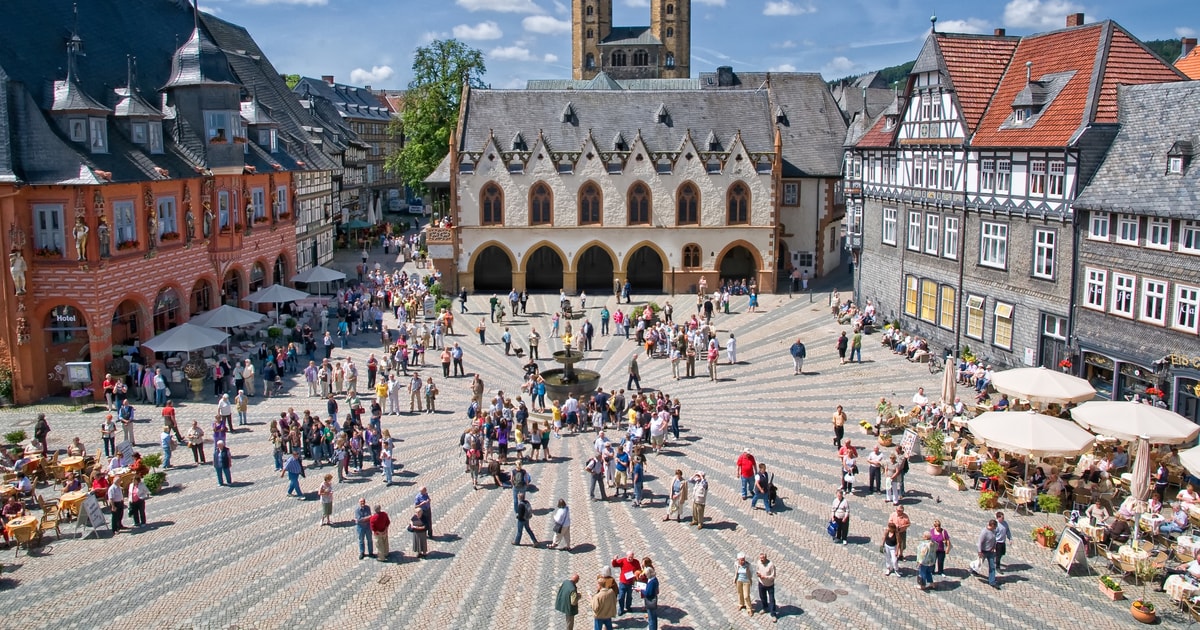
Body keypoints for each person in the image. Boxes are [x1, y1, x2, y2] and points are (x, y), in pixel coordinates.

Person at [612, 551, 642, 616]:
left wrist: (636, 574)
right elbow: (614, 565)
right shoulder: (623, 561)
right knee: (621, 597)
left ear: (633, 557)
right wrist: (614, 559)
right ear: (626, 556)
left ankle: (628, 607)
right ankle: (621, 609)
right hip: (623, 582)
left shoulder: (636, 562)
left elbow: (639, 570)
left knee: (629, 596)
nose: (630, 559)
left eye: (631, 557)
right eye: (629, 557)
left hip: (631, 583)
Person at [976, 519, 999, 588]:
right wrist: (979, 551)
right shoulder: (984, 532)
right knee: (979, 563)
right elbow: (979, 542)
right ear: (991, 525)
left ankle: (992, 581)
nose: (995, 528)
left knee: (992, 566)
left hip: (991, 551)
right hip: (984, 551)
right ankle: (972, 569)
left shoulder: (994, 531)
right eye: (995, 527)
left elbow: (994, 539)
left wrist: (994, 547)